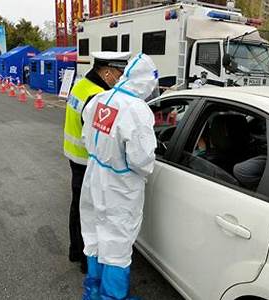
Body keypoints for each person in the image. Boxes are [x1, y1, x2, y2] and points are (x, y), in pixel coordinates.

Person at [80, 53, 159, 300]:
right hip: (120, 186)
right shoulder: (138, 110)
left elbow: (85, 136)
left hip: (94, 174)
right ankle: (112, 297)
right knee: (117, 242)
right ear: (146, 82)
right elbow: (142, 160)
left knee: (94, 234)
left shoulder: (101, 98)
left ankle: (93, 290)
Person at [63, 52, 130, 274]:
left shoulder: (81, 85)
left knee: (77, 207)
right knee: (90, 214)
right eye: (118, 74)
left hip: (74, 157)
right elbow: (101, 139)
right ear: (107, 72)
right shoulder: (97, 97)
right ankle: (86, 261)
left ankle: (75, 251)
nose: (119, 79)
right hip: (87, 163)